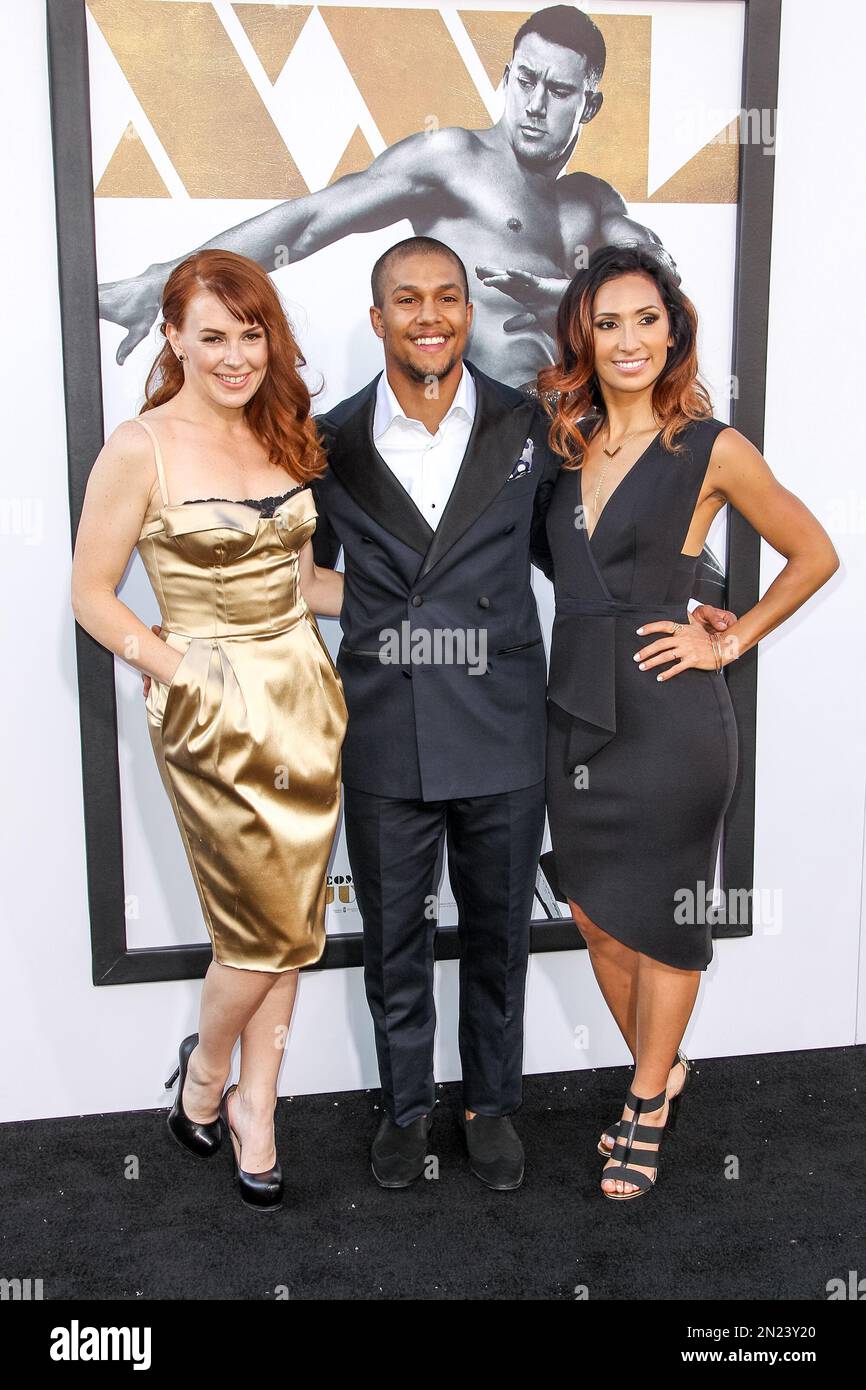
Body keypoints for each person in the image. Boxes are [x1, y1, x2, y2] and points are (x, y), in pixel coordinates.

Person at [310, 234, 732, 1192]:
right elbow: (309, 577)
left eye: (448, 296)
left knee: (500, 930)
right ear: (378, 320)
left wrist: (697, 607)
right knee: (393, 937)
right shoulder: (327, 440)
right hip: (385, 720)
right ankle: (406, 1108)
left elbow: (584, 551)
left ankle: (492, 1106)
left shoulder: (534, 426)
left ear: (466, 312)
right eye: (408, 299)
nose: (430, 315)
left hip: (505, 724)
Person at [537, 244, 839, 1200]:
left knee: (665, 920)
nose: (629, 340)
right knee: (593, 912)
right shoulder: (564, 445)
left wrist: (729, 636)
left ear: (675, 331)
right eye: (608, 322)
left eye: (646, 320)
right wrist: (700, 588)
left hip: (671, 721)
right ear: (585, 334)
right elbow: (581, 573)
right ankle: (660, 1070)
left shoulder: (711, 446)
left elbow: (814, 552)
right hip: (576, 708)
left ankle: (644, 1103)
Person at [71, 250, 348, 1211]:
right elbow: (91, 597)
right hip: (211, 707)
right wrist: (184, 669)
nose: (237, 355)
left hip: (306, 696)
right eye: (215, 335)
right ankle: (206, 1073)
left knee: (292, 923)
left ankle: (256, 1102)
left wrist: (435, 601)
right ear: (175, 338)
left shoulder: (286, 429)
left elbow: (309, 584)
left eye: (253, 332)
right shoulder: (138, 447)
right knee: (259, 928)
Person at [97, 6, 668, 389]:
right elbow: (310, 220)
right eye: (524, 80)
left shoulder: (593, 202)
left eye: (560, 89)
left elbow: (660, 274)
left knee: (684, 569)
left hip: (568, 438)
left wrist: (568, 299)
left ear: (588, 105)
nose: (536, 105)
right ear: (506, 74)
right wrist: (163, 279)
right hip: (473, 446)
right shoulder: (454, 158)